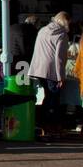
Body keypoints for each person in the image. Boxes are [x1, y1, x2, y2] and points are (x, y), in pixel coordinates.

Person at [29, 12, 71, 142]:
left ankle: (43, 124)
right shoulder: (62, 34)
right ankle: (51, 127)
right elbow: (59, 58)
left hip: (38, 69)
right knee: (53, 99)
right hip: (52, 71)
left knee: (46, 97)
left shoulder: (43, 30)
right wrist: (60, 77)